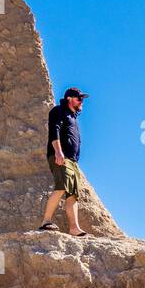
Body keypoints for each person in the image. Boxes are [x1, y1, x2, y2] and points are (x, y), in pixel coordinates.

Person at [39, 87, 89, 236]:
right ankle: (46, 221)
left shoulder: (73, 117)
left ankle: (74, 228)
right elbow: (54, 130)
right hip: (61, 157)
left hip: (72, 161)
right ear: (69, 99)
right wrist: (58, 152)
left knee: (73, 194)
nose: (82, 101)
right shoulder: (58, 111)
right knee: (61, 187)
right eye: (79, 98)